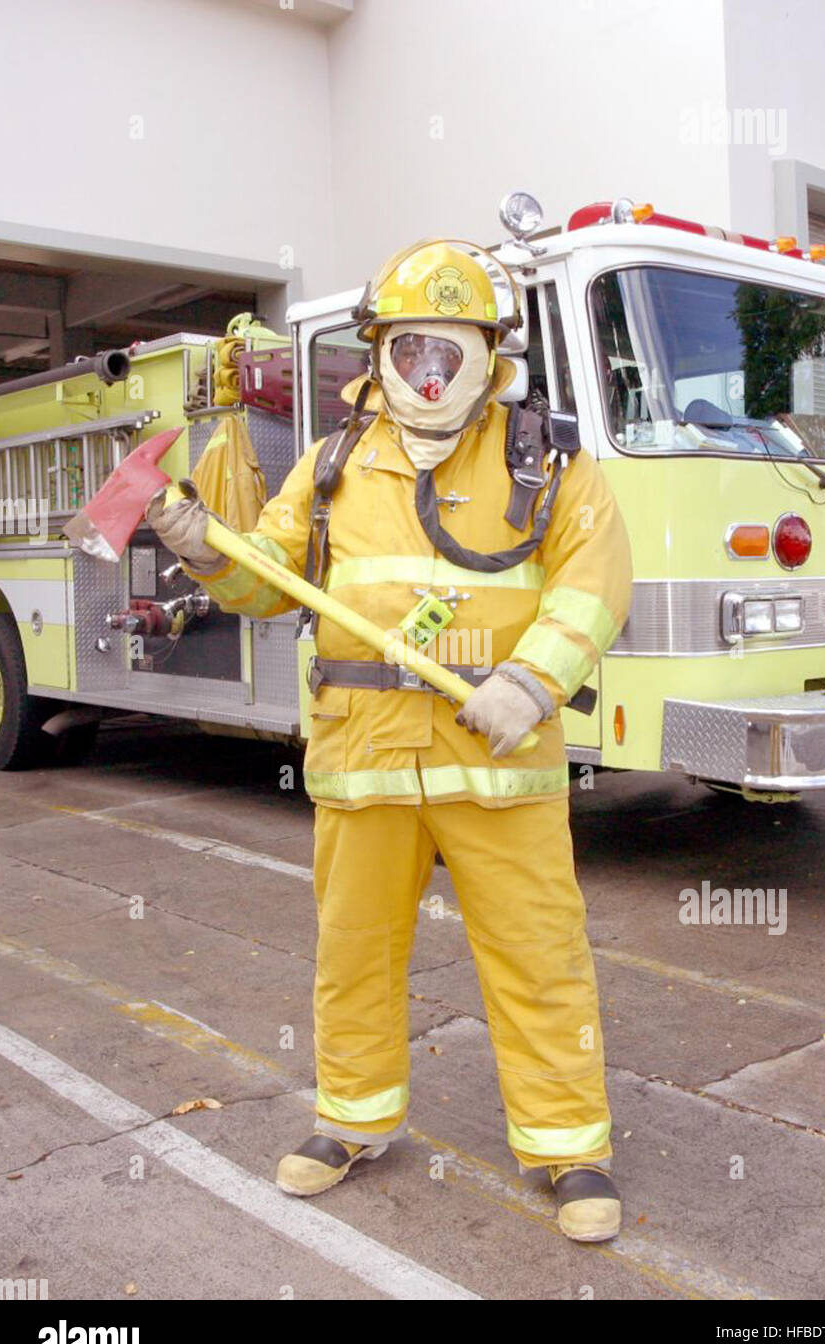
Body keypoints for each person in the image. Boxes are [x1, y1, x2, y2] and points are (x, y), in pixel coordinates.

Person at [146, 239, 633, 1242]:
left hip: (501, 764)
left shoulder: (549, 457)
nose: (427, 371)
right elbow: (266, 578)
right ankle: (353, 1120)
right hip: (364, 760)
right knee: (355, 952)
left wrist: (534, 679)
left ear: (488, 353)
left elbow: (596, 580)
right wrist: (204, 549)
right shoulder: (332, 465)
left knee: (540, 955)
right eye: (409, 347)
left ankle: (570, 1147)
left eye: (449, 350)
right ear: (377, 350)